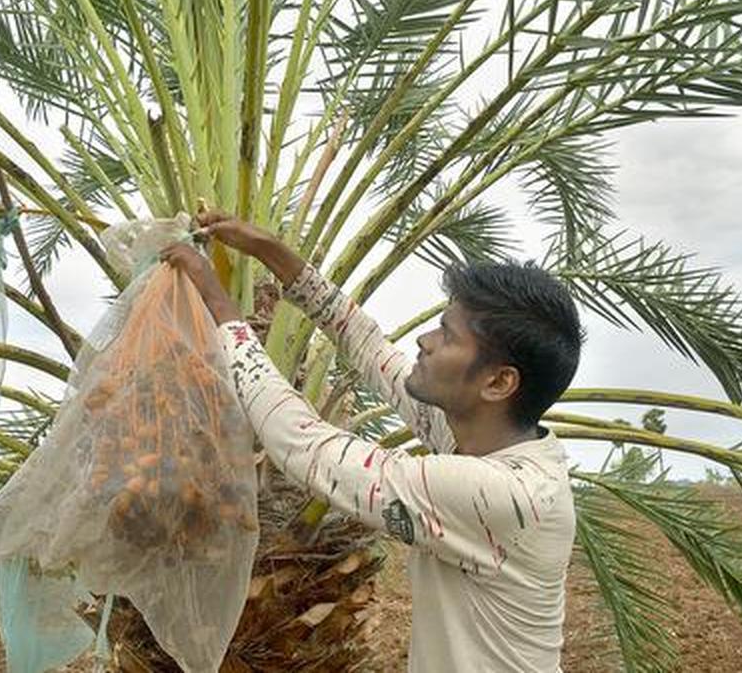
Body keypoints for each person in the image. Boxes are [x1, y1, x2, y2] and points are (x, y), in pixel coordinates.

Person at [159, 213, 583, 673]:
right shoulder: (479, 439)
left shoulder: (501, 496)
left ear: (498, 382)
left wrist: (221, 308)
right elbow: (367, 345)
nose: (425, 339)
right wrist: (269, 250)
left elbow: (305, 447)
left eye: (448, 335)